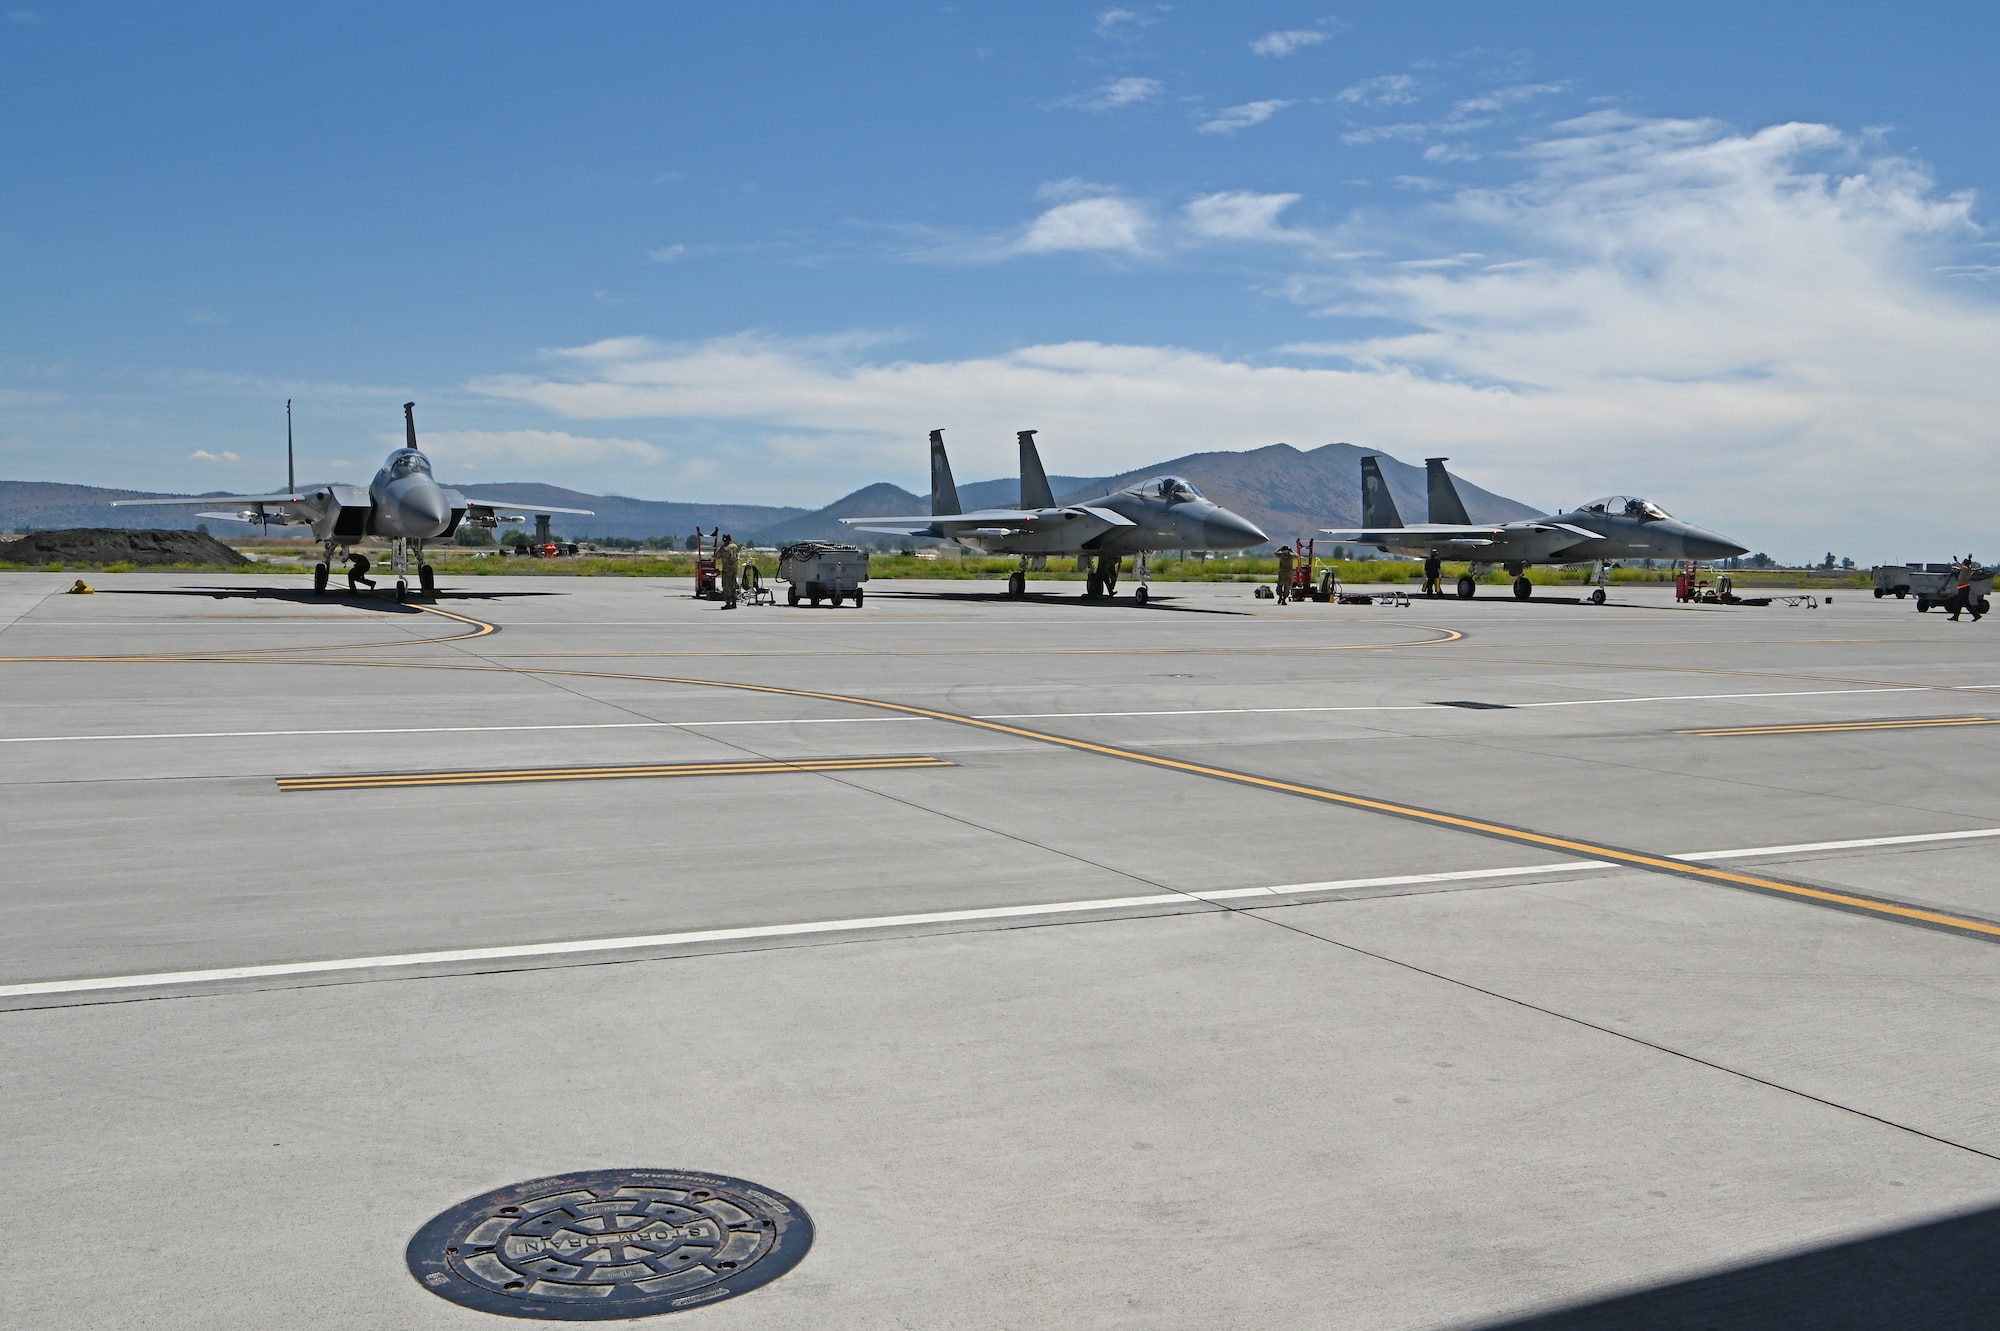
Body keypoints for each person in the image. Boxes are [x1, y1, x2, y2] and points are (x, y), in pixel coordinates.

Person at [718, 534, 739, 609]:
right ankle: (734, 602)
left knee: (726, 586)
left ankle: (728, 603)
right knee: (733, 585)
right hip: (734, 569)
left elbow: (717, 556)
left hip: (727, 570)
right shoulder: (735, 546)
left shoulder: (723, 548)